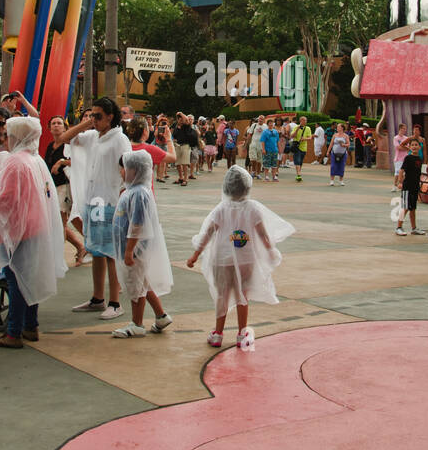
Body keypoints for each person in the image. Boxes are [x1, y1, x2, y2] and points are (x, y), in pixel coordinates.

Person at [0, 117, 68, 348]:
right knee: (29, 278)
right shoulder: (35, 160)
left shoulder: (16, 162)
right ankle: (30, 325)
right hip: (36, 227)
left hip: (20, 230)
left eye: (9, 134)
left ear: (17, 136)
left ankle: (13, 332)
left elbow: (5, 196)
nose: (6, 139)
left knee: (15, 279)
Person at [187, 166, 295, 350]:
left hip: (221, 260)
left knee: (222, 295)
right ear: (247, 187)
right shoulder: (253, 208)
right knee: (242, 294)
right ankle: (241, 332)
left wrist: (196, 254)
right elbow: (263, 234)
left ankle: (218, 334)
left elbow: (208, 233)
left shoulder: (221, 209)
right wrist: (270, 251)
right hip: (246, 258)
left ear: (226, 188)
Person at [56, 97, 131, 320]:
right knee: (97, 250)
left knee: (111, 254)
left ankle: (115, 302)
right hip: (92, 201)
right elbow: (63, 138)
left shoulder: (119, 139)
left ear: (110, 116)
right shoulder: (93, 137)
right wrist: (87, 123)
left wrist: (122, 197)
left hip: (110, 203)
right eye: (92, 115)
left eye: (98, 116)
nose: (94, 120)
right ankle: (98, 298)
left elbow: (128, 170)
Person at [109, 151, 175, 338]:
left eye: (124, 168)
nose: (121, 171)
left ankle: (137, 324)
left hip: (135, 250)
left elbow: (137, 224)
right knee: (143, 283)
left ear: (135, 170)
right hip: (131, 249)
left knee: (135, 286)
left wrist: (129, 250)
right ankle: (161, 315)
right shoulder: (132, 190)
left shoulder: (138, 193)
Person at [44, 115, 87, 265]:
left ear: (64, 127)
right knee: (70, 220)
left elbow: (77, 161)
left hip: (65, 186)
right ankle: (83, 246)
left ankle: (57, 258)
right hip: (53, 187)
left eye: (59, 123)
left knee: (60, 221)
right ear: (49, 128)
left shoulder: (68, 146)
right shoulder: (50, 146)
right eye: (53, 123)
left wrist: (61, 162)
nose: (56, 125)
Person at [394, 138, 426, 236]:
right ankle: (399, 227)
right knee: (405, 207)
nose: (414, 147)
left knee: (413, 208)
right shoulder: (408, 158)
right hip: (407, 186)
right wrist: (400, 182)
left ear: (419, 147)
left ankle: (414, 228)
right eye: (412, 145)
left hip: (415, 187)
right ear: (409, 147)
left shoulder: (419, 159)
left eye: (416, 145)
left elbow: (418, 174)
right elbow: (401, 170)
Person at [326, 122, 351, 186]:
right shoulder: (335, 135)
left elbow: (348, 144)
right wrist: (328, 151)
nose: (337, 128)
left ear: (342, 128)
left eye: (338, 127)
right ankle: (332, 180)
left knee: (341, 166)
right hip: (334, 153)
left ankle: (341, 180)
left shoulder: (346, 136)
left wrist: (344, 145)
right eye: (337, 127)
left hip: (343, 153)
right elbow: (331, 144)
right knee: (333, 166)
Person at [291, 116, 313, 182]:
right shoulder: (296, 127)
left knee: (300, 162)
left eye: (305, 120)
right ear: (300, 121)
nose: (305, 121)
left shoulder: (308, 128)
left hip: (304, 147)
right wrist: (298, 129)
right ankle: (299, 175)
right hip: (297, 147)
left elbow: (310, 138)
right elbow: (292, 136)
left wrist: (304, 139)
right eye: (303, 120)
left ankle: (298, 174)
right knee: (297, 160)